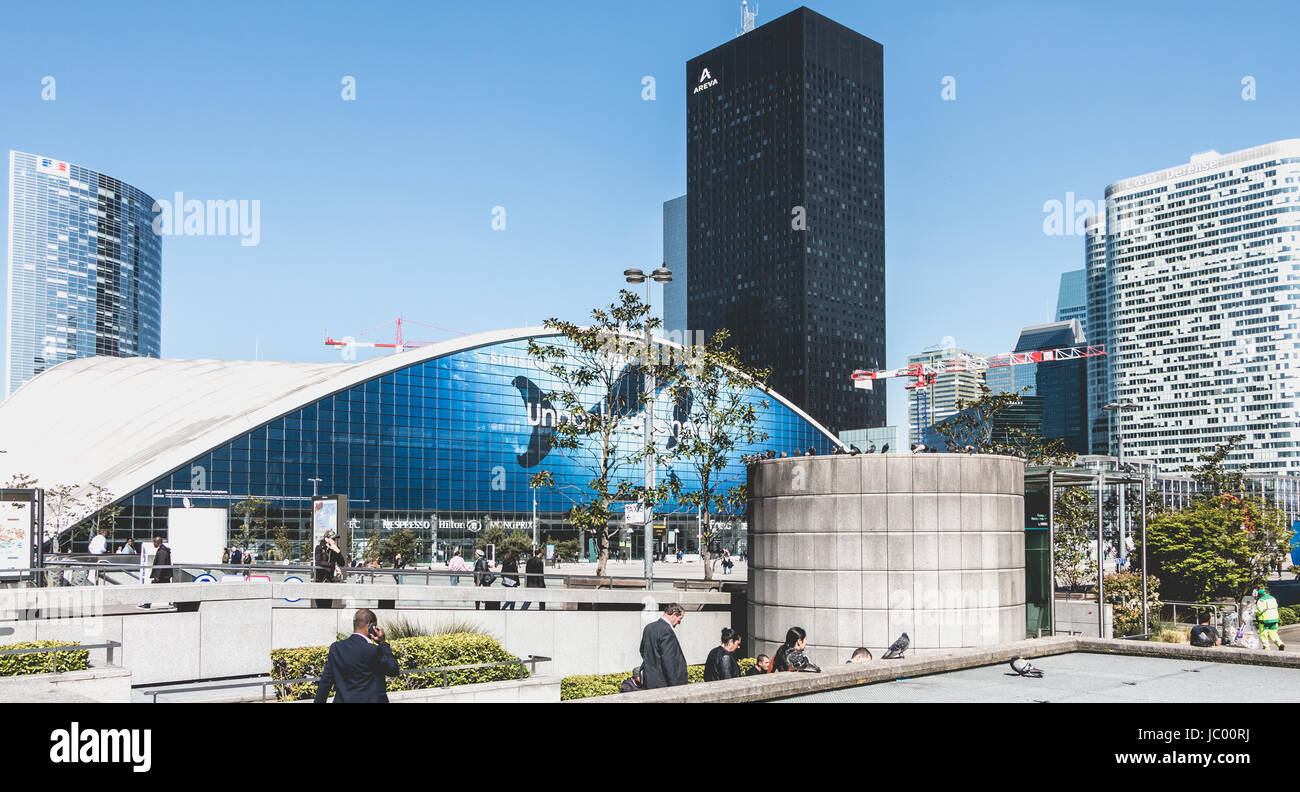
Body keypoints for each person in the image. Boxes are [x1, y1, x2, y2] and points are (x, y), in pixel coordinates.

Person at [313, 608, 402, 703]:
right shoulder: (373, 650)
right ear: (370, 625)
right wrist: (383, 643)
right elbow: (393, 670)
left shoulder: (336, 648)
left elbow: (325, 682)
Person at [639, 602, 688, 689]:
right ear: (674, 614)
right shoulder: (666, 631)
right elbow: (670, 662)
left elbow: (642, 651)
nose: (679, 622)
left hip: (649, 682)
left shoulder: (649, 627)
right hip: (663, 684)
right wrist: (677, 688)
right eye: (680, 619)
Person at [138, 536, 173, 610]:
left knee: (153, 589)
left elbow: (161, 564)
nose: (153, 544)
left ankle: (147, 605)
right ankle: (173, 604)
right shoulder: (163, 550)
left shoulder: (162, 552)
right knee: (167, 590)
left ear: (158, 542)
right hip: (165, 575)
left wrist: (157, 576)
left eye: (154, 542)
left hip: (162, 576)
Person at [1255, 586, 1285, 651]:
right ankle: (1280, 643)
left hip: (1265, 619)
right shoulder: (1273, 598)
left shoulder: (1261, 600)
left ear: (1260, 595)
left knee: (1263, 633)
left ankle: (1266, 647)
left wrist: (1254, 612)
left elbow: (1260, 610)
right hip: (1274, 618)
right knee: (1273, 632)